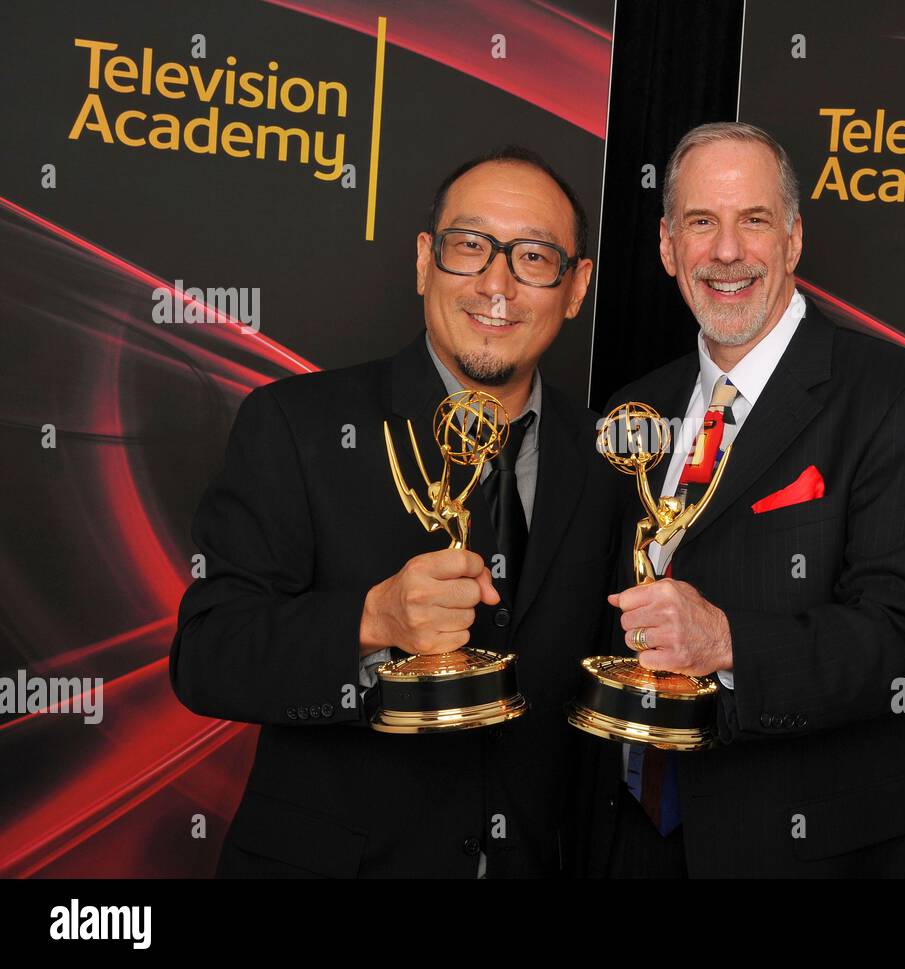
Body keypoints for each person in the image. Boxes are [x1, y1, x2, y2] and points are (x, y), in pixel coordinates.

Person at [170, 145, 622, 877]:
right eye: (469, 247)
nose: (496, 282)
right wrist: (372, 619)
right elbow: (209, 656)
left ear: (575, 288)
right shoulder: (297, 425)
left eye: (534, 256)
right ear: (424, 261)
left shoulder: (605, 458)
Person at [580, 122, 905, 877]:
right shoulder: (636, 409)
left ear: (793, 240)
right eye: (702, 222)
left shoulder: (898, 397)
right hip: (629, 840)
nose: (727, 251)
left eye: (753, 220)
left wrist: (726, 639)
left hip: (806, 853)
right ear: (668, 248)